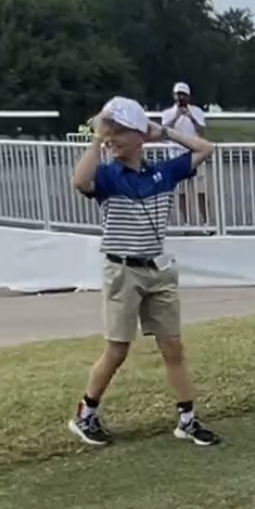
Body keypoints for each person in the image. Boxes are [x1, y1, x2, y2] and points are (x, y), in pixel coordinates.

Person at [68, 95, 220, 447]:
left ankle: (187, 418)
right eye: (110, 131)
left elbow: (205, 148)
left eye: (120, 131)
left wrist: (162, 131)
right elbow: (80, 181)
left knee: (173, 347)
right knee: (117, 349)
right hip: (122, 270)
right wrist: (95, 139)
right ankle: (86, 414)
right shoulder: (107, 175)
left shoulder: (161, 172)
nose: (112, 138)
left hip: (157, 269)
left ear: (140, 135)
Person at [161, 82, 210, 225]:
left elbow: (202, 131)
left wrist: (191, 117)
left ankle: (206, 221)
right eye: (178, 95)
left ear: (188, 96)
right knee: (182, 192)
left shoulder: (197, 111)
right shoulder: (167, 113)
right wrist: (176, 117)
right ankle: (186, 222)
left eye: (183, 95)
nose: (180, 98)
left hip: (196, 154)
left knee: (201, 190)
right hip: (176, 156)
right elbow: (164, 131)